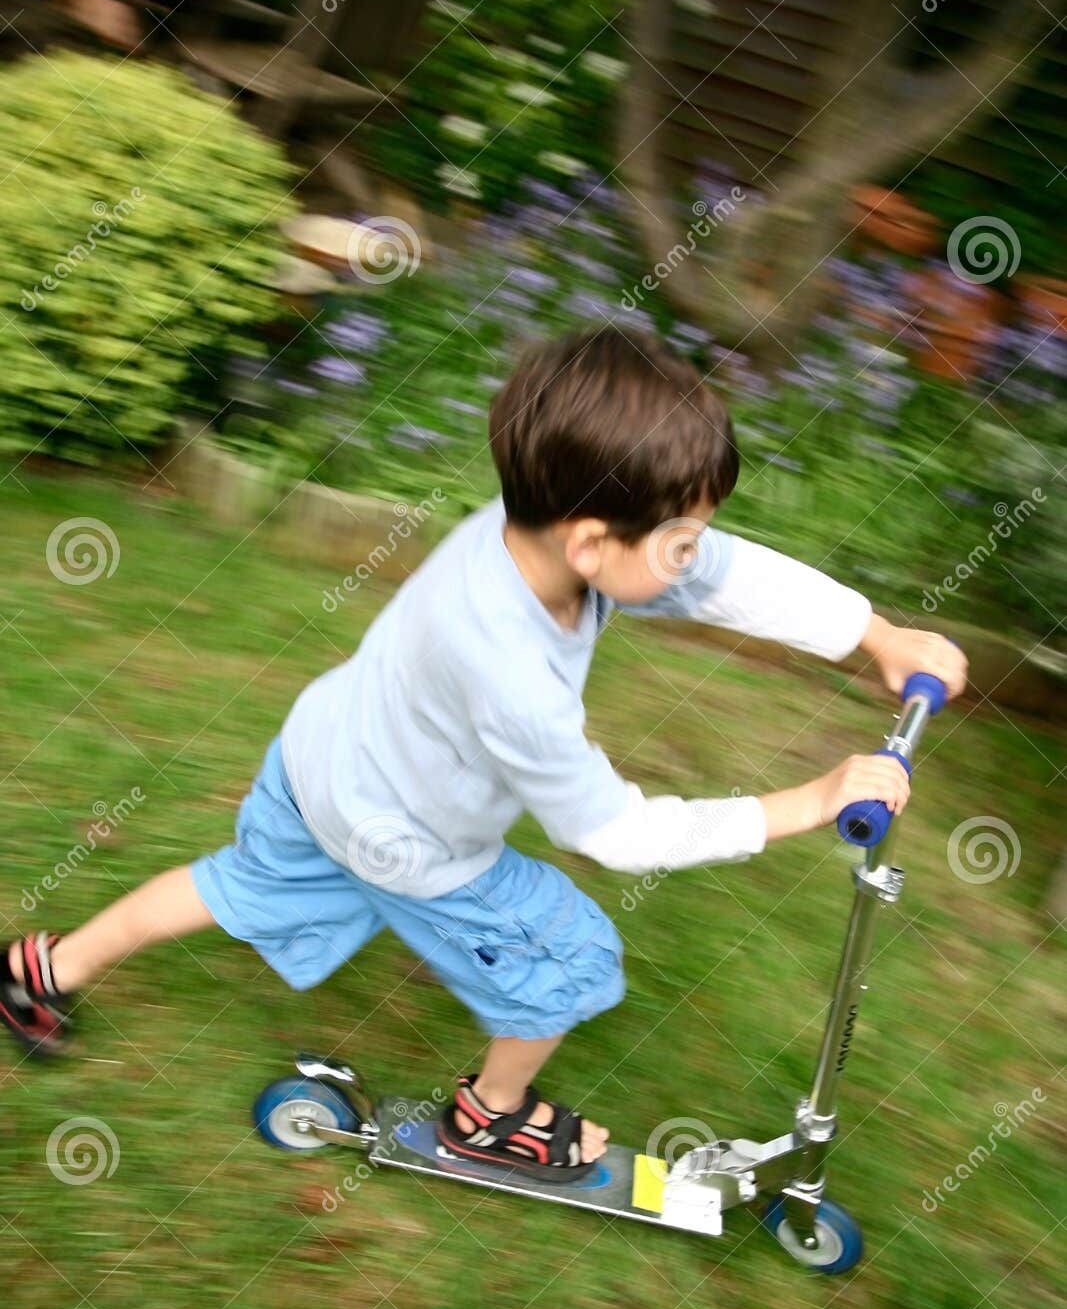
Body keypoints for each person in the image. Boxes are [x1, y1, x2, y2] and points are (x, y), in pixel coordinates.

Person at [1, 327, 966, 1179]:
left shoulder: (530, 536)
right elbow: (611, 832)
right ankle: (488, 1122)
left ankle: (41, 970)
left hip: (318, 763)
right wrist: (806, 800)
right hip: (402, 832)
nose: (694, 553)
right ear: (592, 540)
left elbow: (725, 578)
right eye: (681, 537)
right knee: (570, 951)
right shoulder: (510, 669)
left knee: (237, 885)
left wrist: (873, 635)